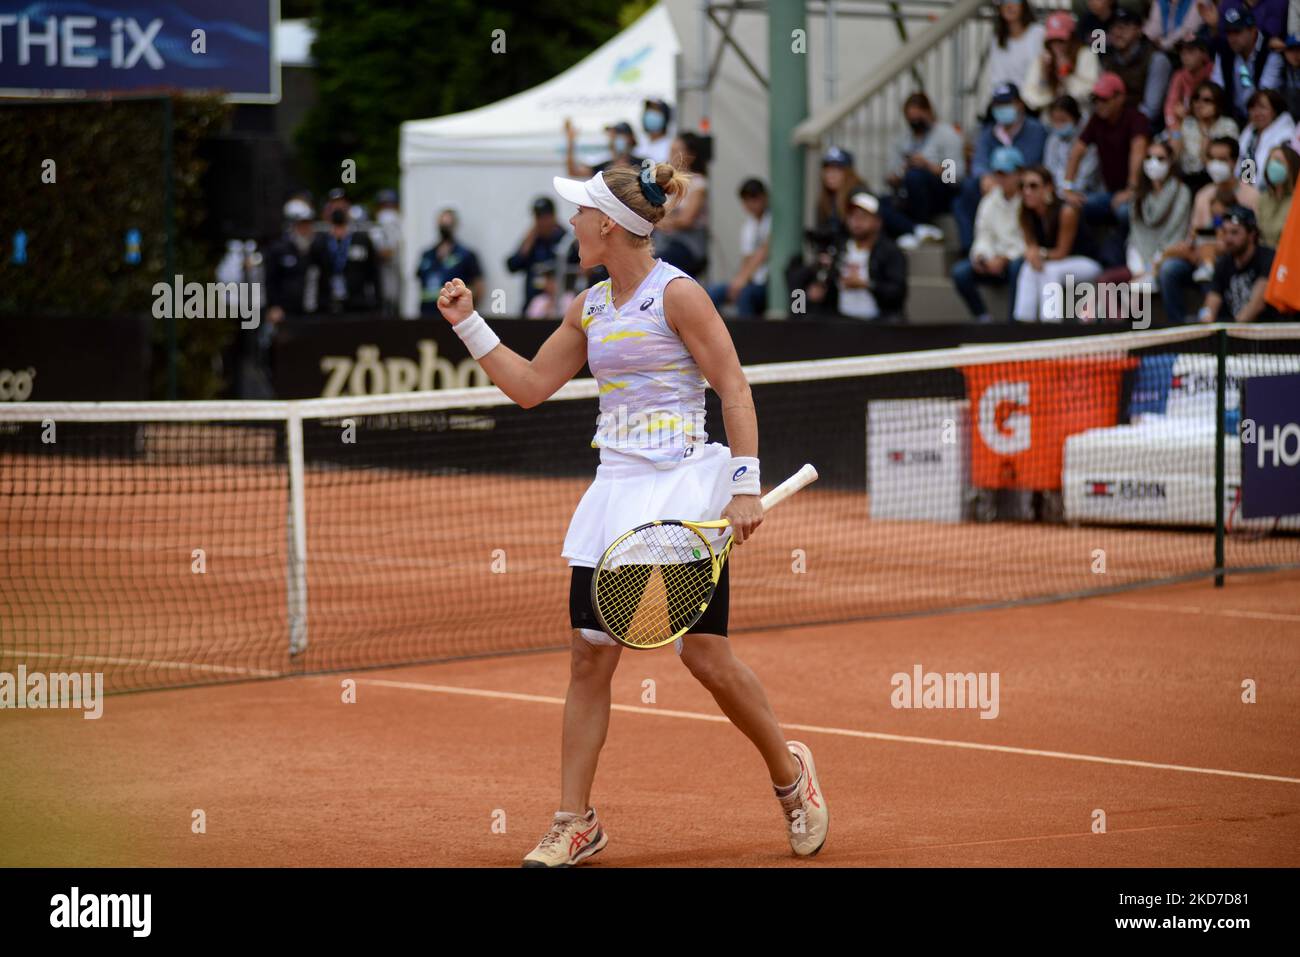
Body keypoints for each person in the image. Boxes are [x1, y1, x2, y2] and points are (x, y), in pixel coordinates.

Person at [432, 162, 830, 867]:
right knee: (589, 654)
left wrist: (744, 483)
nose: (574, 223)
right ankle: (574, 819)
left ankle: (791, 778)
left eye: (582, 213)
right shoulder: (588, 307)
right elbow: (528, 386)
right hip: (615, 491)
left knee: (705, 657)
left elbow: (732, 384)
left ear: (608, 225)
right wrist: (468, 324)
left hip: (682, 490)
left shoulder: (678, 295)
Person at [1098, 139, 1195, 322]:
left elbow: (1176, 234)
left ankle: (1176, 326)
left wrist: (1152, 268)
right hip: (1139, 261)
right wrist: (1139, 269)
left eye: (1160, 158)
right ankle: (1117, 332)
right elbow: (1135, 237)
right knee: (1105, 281)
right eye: (1149, 157)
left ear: (1170, 162)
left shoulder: (1182, 192)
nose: (1153, 163)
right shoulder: (1138, 196)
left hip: (1169, 257)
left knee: (1163, 274)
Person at [955, 83, 1049, 252]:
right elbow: (979, 163)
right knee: (965, 193)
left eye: (1007, 103)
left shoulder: (1036, 129)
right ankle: (971, 250)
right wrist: (986, 176)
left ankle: (1018, 252)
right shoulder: (988, 132)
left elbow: (1033, 162)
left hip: (1022, 184)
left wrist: (1012, 178)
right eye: (998, 104)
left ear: (1020, 103)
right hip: (995, 185)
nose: (1002, 108)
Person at [1014, 165, 1102, 321]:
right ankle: (1023, 322)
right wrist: (1032, 254)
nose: (1027, 191)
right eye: (1023, 186)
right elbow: (1031, 247)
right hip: (1053, 262)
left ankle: (1051, 325)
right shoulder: (1025, 213)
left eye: (1033, 186)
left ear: (1048, 187)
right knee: (1028, 268)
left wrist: (1038, 254)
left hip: (1086, 262)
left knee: (1049, 270)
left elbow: (1062, 252)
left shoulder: (1066, 211)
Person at [1064, 72, 1150, 230]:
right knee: (1075, 206)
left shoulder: (1136, 118)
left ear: (1120, 98)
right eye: (1095, 100)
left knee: (1124, 212)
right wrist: (1068, 188)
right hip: (1110, 192)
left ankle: (1127, 250)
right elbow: (1077, 151)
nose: (1099, 104)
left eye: (1104, 99)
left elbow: (1138, 152)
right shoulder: (1096, 120)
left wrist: (1131, 189)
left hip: (1140, 192)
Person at [952, 146, 1027, 323]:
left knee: (1018, 266)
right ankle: (983, 318)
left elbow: (1030, 240)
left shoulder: (1027, 200)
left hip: (1016, 260)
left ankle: (1013, 321)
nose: (1001, 179)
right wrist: (982, 257)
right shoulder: (989, 201)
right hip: (993, 261)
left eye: (1006, 173)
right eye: (997, 174)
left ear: (1020, 173)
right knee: (960, 272)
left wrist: (1006, 258)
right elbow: (983, 235)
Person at [885, 92, 964, 241]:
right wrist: (903, 170)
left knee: (916, 176)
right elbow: (889, 177)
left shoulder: (946, 134)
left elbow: (955, 175)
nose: (915, 122)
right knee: (878, 203)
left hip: (940, 192)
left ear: (928, 112)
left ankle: (921, 224)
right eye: (911, 119)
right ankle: (917, 229)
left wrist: (927, 165)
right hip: (906, 191)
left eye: (918, 118)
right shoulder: (903, 139)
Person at [1198, 204, 1280, 321]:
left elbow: (1257, 304)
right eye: (1225, 232)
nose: (1228, 238)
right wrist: (1206, 319)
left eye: (1234, 232)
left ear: (1252, 234)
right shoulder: (1223, 264)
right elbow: (1212, 300)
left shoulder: (1268, 258)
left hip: (1266, 333)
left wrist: (1232, 333)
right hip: (1236, 332)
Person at [835, 191, 909, 322]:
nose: (856, 222)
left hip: (878, 324)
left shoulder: (890, 252)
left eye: (863, 217)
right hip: (842, 321)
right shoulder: (838, 248)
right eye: (852, 216)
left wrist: (867, 285)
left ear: (877, 221)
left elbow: (897, 293)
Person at [307, 193, 380, 314]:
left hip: (357, 304)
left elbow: (374, 272)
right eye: (334, 206)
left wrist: (377, 302)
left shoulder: (361, 239)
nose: (338, 209)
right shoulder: (319, 241)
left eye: (342, 206)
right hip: (326, 304)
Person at [1101, 5, 1174, 127]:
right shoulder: (1108, 58)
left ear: (1139, 30)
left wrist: (1121, 125)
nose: (1118, 32)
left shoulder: (1156, 59)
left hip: (1146, 127)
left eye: (1125, 27)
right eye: (1114, 27)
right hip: (1114, 122)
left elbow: (1151, 110)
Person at [707, 178, 770, 319]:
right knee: (712, 292)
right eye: (746, 200)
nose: (751, 205)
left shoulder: (772, 220)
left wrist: (741, 281)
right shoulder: (749, 226)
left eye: (754, 199)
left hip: (766, 282)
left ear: (764, 197)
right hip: (750, 280)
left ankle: (748, 339)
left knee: (744, 295)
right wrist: (738, 281)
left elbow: (763, 252)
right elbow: (747, 259)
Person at [1211, 7, 1285, 123]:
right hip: (1234, 117)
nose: (1232, 39)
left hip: (1266, 118)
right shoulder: (1224, 51)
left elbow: (1264, 94)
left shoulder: (1269, 50)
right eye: (1229, 33)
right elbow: (1217, 88)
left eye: (1237, 32)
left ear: (1253, 30)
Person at [653, 133, 710, 276]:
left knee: (656, 265)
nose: (672, 155)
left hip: (687, 244)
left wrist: (661, 221)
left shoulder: (698, 184)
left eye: (677, 151)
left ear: (691, 155)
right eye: (671, 151)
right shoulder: (666, 182)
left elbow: (686, 220)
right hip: (664, 241)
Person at [1023, 9, 1101, 111]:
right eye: (1052, 40)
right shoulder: (1043, 59)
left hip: (1080, 115)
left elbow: (1090, 91)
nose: (1056, 45)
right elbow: (1029, 96)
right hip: (1050, 118)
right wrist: (1044, 76)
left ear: (1072, 38)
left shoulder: (1086, 55)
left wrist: (1067, 75)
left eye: (1061, 40)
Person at [1171, 80, 1240, 189]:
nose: (1199, 104)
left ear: (1217, 103)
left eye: (1207, 100)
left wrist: (1205, 131)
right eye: (1196, 98)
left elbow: (1216, 159)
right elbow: (1173, 156)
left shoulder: (1227, 125)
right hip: (1187, 180)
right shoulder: (1187, 123)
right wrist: (1178, 125)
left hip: (1216, 181)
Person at [506, 197, 569, 314]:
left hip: (561, 301)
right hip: (532, 303)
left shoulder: (566, 240)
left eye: (545, 217)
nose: (542, 222)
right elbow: (512, 266)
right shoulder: (532, 240)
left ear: (553, 216)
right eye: (538, 217)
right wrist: (527, 241)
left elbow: (578, 270)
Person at [417, 208, 484, 317]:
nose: (444, 228)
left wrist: (468, 312)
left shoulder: (466, 255)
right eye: (442, 224)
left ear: (454, 225)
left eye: (448, 224)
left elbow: (478, 286)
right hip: (427, 314)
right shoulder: (427, 255)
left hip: (453, 315)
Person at [264, 198, 318, 324]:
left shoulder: (317, 247)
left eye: (308, 223)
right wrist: (273, 306)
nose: (305, 228)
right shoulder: (279, 249)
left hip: (312, 309)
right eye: (301, 224)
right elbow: (270, 280)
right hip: (286, 311)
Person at [1044, 95, 1102, 195]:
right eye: (1055, 120)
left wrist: (1067, 190)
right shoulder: (1053, 138)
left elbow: (1086, 173)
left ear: (1076, 118)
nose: (1058, 125)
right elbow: (1049, 167)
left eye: (1063, 120)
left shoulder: (1088, 135)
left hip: (1087, 191)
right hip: (1058, 191)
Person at [987, 1, 1047, 97]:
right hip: (1008, 100)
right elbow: (997, 80)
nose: (1009, 6)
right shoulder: (997, 40)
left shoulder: (1038, 33)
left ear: (1024, 5)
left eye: (1015, 1)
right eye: (1004, 1)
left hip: (1036, 99)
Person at [1164, 31, 1217, 132]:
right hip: (1183, 129)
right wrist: (1174, 127)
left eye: (1191, 52)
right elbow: (1169, 108)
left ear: (1204, 54)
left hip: (1210, 128)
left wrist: (1188, 115)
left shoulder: (1214, 73)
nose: (1185, 57)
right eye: (1182, 53)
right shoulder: (1179, 76)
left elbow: (1212, 110)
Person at [1240, 88, 1297, 176]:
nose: (1257, 113)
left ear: (1275, 111)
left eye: (1262, 107)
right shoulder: (1250, 133)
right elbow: (1247, 177)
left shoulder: (1286, 136)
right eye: (1252, 108)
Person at [564, 119, 645, 177]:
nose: (614, 137)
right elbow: (573, 172)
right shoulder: (604, 167)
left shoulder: (643, 164)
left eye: (619, 134)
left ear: (631, 138)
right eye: (612, 134)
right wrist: (571, 142)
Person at [1257, 142, 1299, 244]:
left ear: (1292, 166)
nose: (1272, 165)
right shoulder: (1263, 199)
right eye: (1270, 161)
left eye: (1278, 161)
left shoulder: (1297, 200)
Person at [371, 189, 402, 317]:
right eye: (383, 206)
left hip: (399, 272)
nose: (387, 210)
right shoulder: (374, 229)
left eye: (390, 205)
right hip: (380, 273)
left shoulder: (404, 225)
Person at [1202, 0, 1291, 43]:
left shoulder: (1277, 2)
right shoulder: (1228, 3)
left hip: (1264, 59)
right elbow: (1221, 40)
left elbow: (1266, 36)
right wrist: (1214, 27)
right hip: (1233, 59)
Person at [639, 98, 674, 165]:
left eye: (656, 111)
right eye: (649, 110)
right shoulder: (639, 145)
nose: (651, 114)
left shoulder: (671, 147)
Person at [1281, 33, 1300, 119]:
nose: (1295, 54)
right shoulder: (1282, 69)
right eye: (1291, 50)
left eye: (1299, 50)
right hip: (1288, 119)